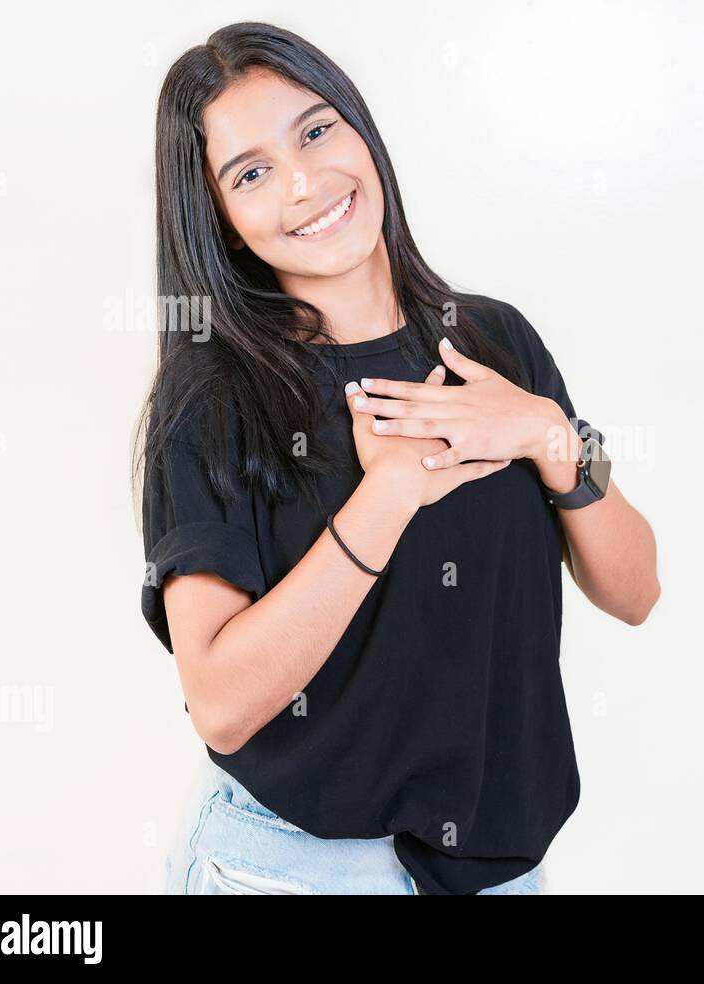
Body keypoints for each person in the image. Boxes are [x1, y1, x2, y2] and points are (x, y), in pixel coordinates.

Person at [135, 21, 660, 895]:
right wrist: (389, 493)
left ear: (360, 129)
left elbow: (636, 590)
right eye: (252, 173)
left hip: (499, 869)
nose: (305, 182)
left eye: (315, 129)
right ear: (222, 221)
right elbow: (221, 705)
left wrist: (550, 437)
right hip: (293, 869)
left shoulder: (495, 341)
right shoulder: (212, 399)